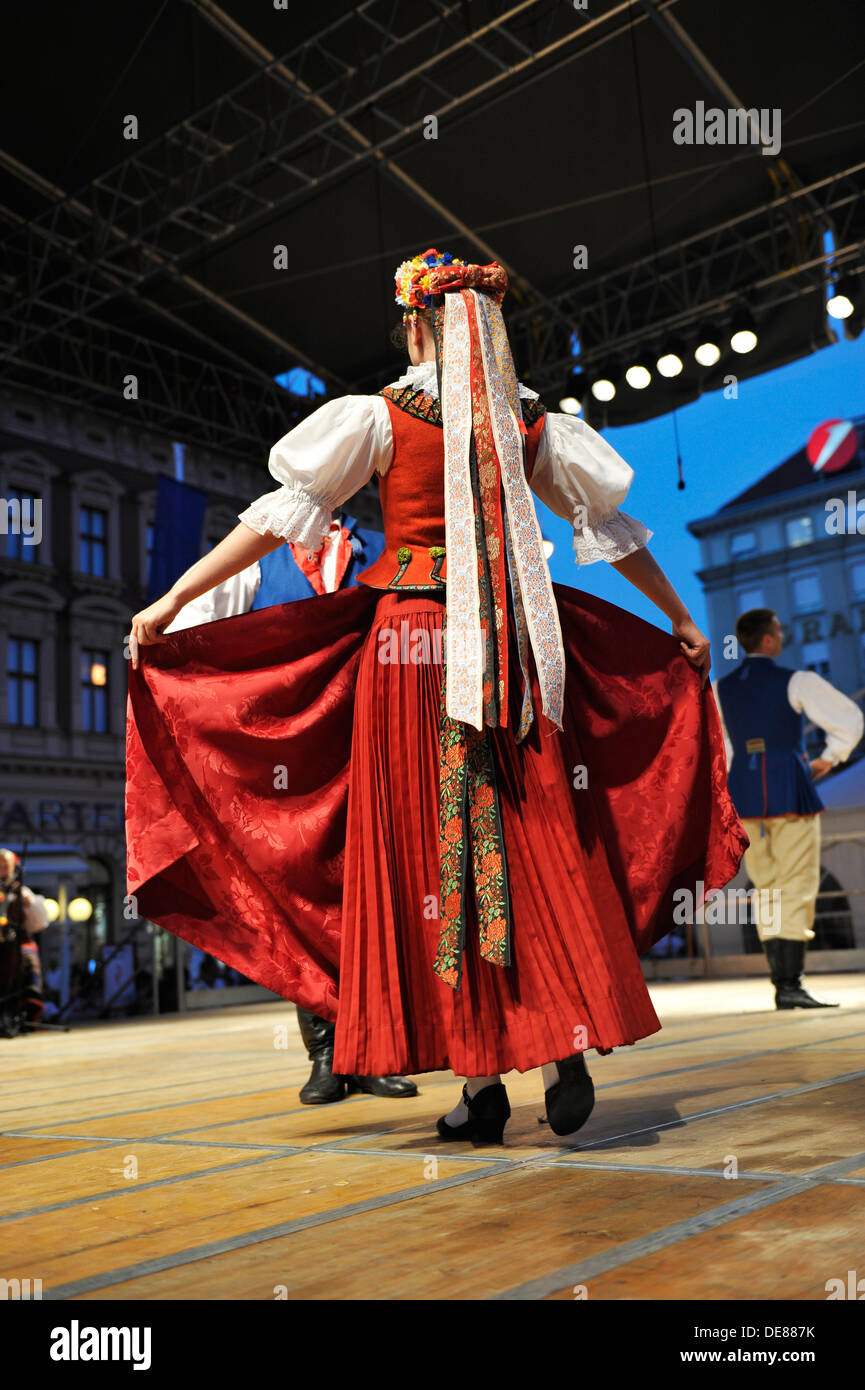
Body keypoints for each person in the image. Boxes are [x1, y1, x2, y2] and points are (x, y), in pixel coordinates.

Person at [127, 248, 747, 1145]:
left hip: (408, 650)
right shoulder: (529, 422)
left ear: (415, 326)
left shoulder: (380, 417)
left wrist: (175, 599)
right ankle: (558, 1044)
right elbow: (607, 532)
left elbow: (274, 517)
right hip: (514, 643)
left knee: (425, 855)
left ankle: (481, 1083)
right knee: (531, 834)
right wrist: (681, 620)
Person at [167, 515, 419, 1106]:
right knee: (301, 901)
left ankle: (377, 1051)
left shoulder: (390, 552)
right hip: (291, 757)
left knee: (375, 895)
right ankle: (326, 1054)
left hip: (374, 743)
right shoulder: (256, 560)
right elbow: (191, 630)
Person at [715, 609, 863, 1009]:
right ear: (767, 639)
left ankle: (781, 982)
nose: (781, 636)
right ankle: (791, 984)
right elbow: (850, 720)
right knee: (797, 882)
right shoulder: (797, 680)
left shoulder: (719, 688)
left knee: (765, 886)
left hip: (745, 790)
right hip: (789, 784)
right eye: (778, 630)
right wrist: (831, 758)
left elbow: (722, 748)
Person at [0, 848, 49, 1027]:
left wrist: (28, 904)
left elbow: (39, 923)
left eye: (6, 866)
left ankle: (26, 1008)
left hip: (18, 940)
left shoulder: (21, 891)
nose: (3, 870)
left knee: (28, 957)